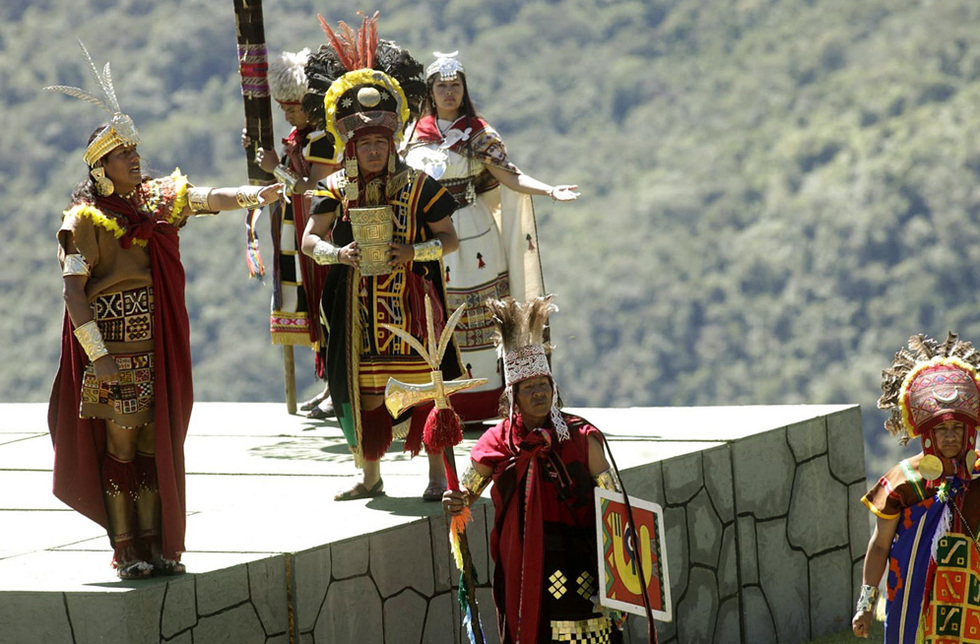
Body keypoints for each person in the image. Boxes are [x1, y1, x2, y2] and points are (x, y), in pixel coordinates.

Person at [46, 45, 281, 579]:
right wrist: (98, 357)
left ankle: (156, 546)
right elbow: (74, 294)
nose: (134, 159)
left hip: (156, 348)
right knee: (122, 447)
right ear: (100, 168)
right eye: (122, 154)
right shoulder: (81, 221)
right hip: (113, 353)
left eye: (135, 150)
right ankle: (126, 549)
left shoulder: (157, 200)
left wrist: (254, 196)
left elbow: (206, 197)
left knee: (155, 447)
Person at [301, 14, 463, 501]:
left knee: (425, 391)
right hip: (359, 311)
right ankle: (370, 476)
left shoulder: (420, 186)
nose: (373, 151)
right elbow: (309, 239)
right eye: (364, 144)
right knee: (367, 392)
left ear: (392, 144)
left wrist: (412, 251)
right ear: (351, 147)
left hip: (413, 305)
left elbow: (450, 239)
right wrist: (338, 253)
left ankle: (437, 478)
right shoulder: (334, 188)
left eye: (380, 142)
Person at [403, 51, 580, 425]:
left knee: (480, 317)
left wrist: (549, 190)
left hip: (471, 233)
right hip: (427, 232)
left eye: (455, 85)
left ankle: (484, 403)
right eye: (441, 86)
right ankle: (440, 405)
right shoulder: (413, 135)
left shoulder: (479, 134)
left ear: (464, 89)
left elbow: (509, 177)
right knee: (433, 314)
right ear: (430, 91)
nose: (449, 92)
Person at [443, 296, 624, 643]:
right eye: (529, 387)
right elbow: (466, 494)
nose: (539, 393)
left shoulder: (581, 437)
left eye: (544, 384)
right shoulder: (498, 442)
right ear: (514, 395)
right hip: (522, 567)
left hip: (581, 560)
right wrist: (454, 501)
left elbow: (613, 502)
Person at [852, 333, 980, 641]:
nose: (950, 436)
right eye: (941, 428)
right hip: (914, 602)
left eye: (957, 427)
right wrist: (866, 604)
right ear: (926, 434)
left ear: (970, 430)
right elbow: (880, 545)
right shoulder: (903, 481)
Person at [248, 48, 339, 418]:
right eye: (283, 109)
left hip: (324, 235)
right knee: (315, 309)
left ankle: (339, 387)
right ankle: (330, 384)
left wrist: (277, 168)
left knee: (328, 309)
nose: (287, 115)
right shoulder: (301, 136)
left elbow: (316, 188)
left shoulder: (324, 137)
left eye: (292, 108)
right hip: (298, 232)